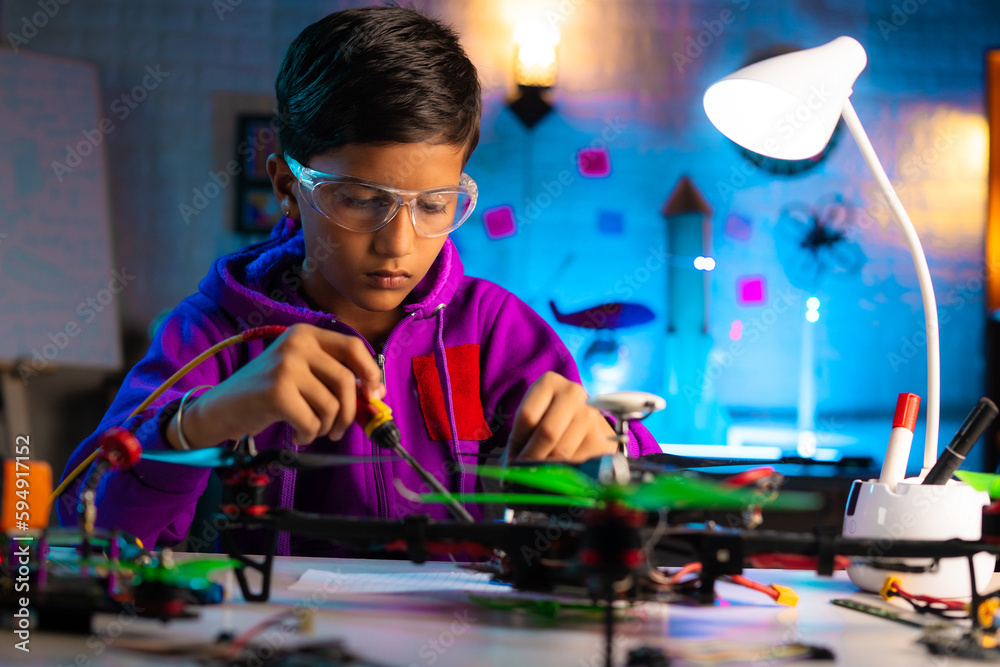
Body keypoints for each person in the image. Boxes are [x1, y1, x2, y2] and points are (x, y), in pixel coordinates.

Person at [58, 5, 661, 556]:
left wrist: (608, 455)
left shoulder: (496, 330)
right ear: (286, 185)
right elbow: (82, 535)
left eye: (434, 205)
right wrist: (197, 423)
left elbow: (651, 511)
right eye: (359, 199)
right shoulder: (213, 334)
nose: (398, 243)